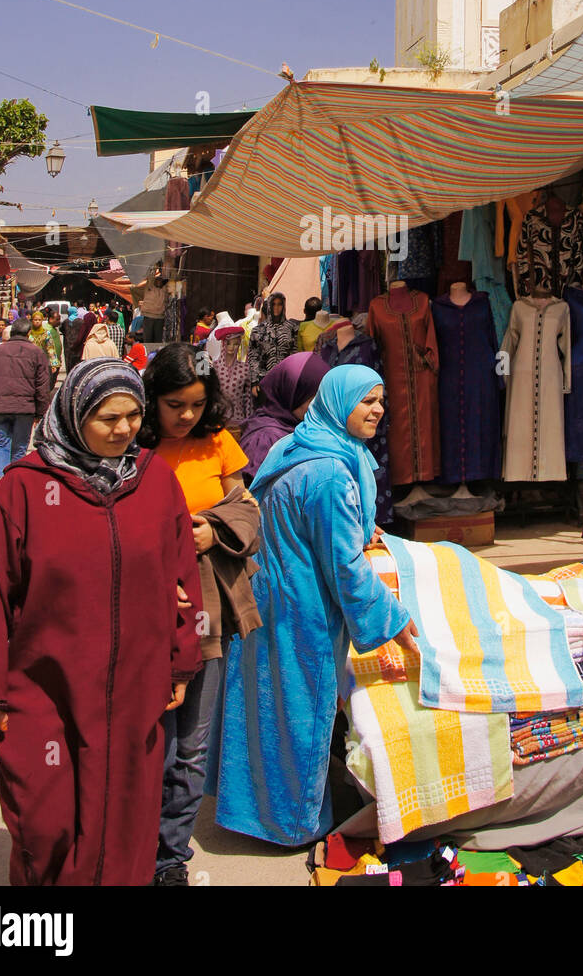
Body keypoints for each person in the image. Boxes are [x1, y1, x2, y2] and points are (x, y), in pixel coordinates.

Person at [0, 359, 203, 886]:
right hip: (46, 689)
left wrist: (181, 662)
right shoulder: (22, 490)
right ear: (73, 415)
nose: (124, 429)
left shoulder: (155, 481)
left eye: (134, 415)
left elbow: (183, 577)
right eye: (107, 418)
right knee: (45, 822)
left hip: (136, 685)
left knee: (126, 816)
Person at [208, 366, 417, 846]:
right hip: (302, 608)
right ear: (339, 402)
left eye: (381, 400)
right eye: (367, 401)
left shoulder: (297, 444)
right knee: (300, 711)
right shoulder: (329, 471)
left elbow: (311, 522)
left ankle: (247, 810)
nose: (378, 410)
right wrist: (393, 618)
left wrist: (362, 528)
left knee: (262, 705)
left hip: (266, 594)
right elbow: (344, 565)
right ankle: (293, 825)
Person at [139, 343, 261, 884]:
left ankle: (170, 857)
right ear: (152, 401)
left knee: (191, 741)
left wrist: (214, 529)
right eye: (174, 404)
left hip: (210, 609)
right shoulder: (131, 446)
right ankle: (131, 844)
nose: (186, 415)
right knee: (147, 736)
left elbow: (248, 506)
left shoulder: (218, 443)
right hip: (145, 611)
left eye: (195, 403)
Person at [0, 317, 51, 482]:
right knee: (19, 449)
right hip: (25, 409)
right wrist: (41, 412)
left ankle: (1, 481)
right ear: (29, 333)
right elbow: (43, 386)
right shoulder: (37, 353)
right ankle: (13, 484)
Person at [238, 350, 329, 482]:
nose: (320, 407)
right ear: (292, 395)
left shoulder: (305, 428)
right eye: (313, 399)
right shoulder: (265, 439)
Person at [246, 292, 301, 397]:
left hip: (285, 379)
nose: (276, 307)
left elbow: (294, 353)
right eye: (273, 304)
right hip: (264, 378)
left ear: (283, 306)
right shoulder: (258, 330)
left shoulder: (292, 328)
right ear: (269, 305)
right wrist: (254, 382)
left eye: (279, 304)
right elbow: (253, 357)